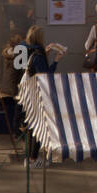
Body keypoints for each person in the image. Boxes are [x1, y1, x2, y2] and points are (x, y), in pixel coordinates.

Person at [22, 25, 63, 167]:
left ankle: (29, 156)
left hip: (29, 93)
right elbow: (46, 75)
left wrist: (46, 51)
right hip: (38, 94)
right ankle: (33, 158)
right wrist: (56, 61)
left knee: (32, 125)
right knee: (39, 127)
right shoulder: (39, 56)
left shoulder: (29, 51)